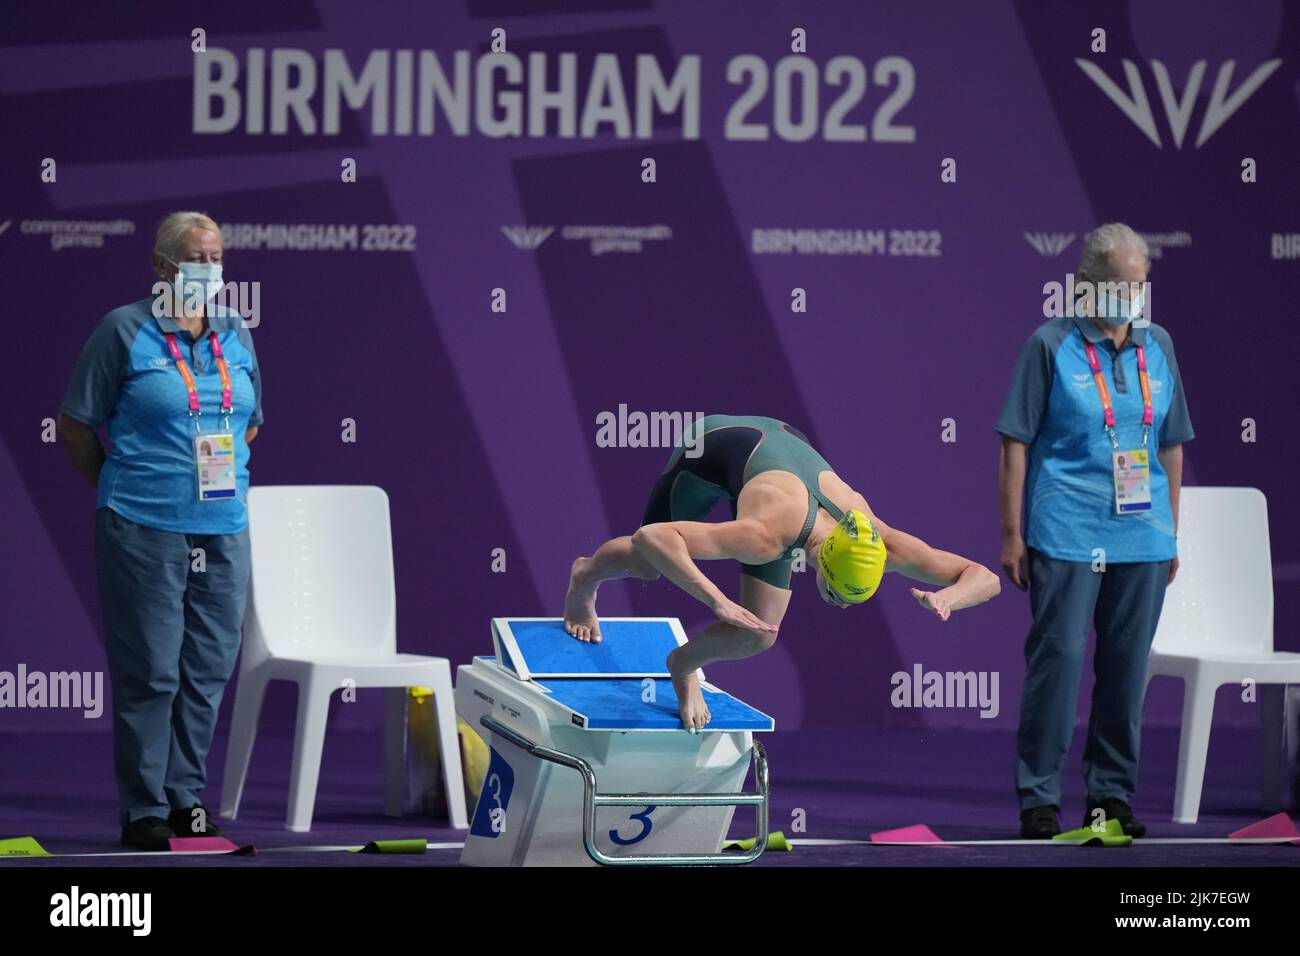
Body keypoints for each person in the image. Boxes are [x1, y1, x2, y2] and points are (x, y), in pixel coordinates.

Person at [563, 413, 1001, 730]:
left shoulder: (880, 540)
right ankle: (585, 577)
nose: (840, 606)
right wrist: (717, 601)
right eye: (836, 595)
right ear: (823, 568)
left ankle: (682, 664)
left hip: (786, 450)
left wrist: (947, 598)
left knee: (759, 632)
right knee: (647, 565)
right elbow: (655, 537)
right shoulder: (767, 536)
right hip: (715, 446)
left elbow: (984, 576)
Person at [57, 212, 263, 850]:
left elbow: (250, 423)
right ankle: (144, 805)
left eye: (216, 255)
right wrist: (131, 487)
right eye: (195, 256)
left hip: (222, 526)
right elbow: (75, 425)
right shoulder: (122, 330)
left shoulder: (235, 332)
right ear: (162, 266)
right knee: (151, 670)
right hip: (142, 525)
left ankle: (184, 798)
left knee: (206, 668)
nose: (209, 266)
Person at [997, 222, 1193, 839]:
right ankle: (1039, 798)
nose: (1131, 297)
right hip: (1065, 528)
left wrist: (1172, 531)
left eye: (1140, 286)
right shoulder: (1049, 344)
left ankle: (1110, 795)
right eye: (1119, 285)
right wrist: (1011, 534)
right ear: (1085, 285)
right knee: (1059, 659)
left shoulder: (1157, 344)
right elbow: (1015, 443)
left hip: (1142, 535)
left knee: (1126, 667)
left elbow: (1171, 445)